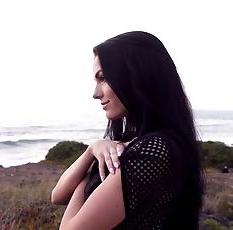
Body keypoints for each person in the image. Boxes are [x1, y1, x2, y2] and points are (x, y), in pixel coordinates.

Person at [51, 31, 204, 230]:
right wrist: (92, 150)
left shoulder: (152, 150)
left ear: (136, 75)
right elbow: (58, 195)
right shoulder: (144, 143)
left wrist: (95, 169)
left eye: (103, 78)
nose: (96, 94)